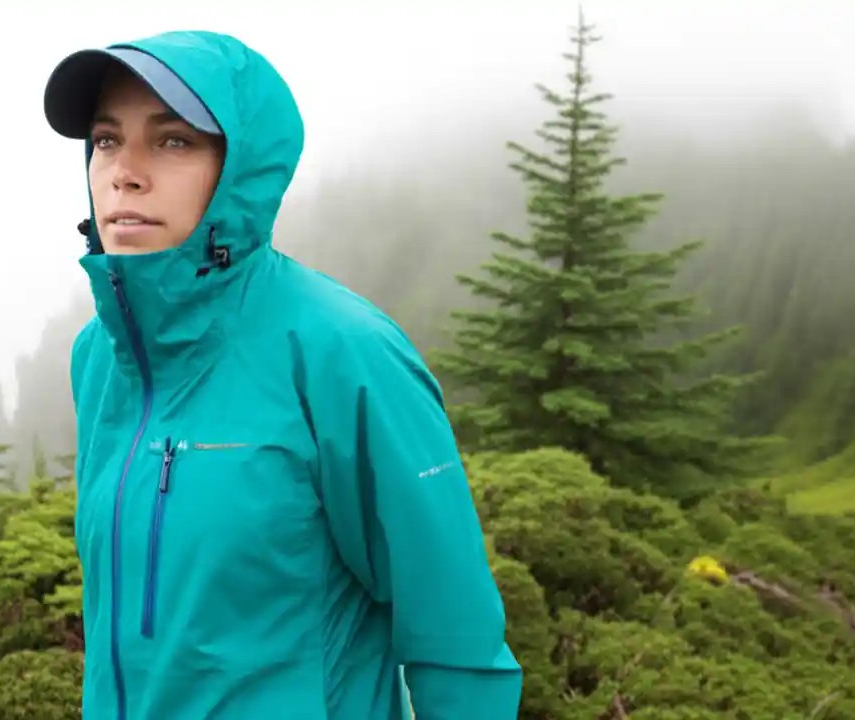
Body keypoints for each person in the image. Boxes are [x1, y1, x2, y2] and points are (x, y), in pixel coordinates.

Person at [42, 29, 522, 719]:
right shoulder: (101, 356)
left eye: (173, 140)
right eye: (107, 139)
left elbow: (458, 644)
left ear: (238, 170)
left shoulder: (345, 351)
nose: (125, 171)